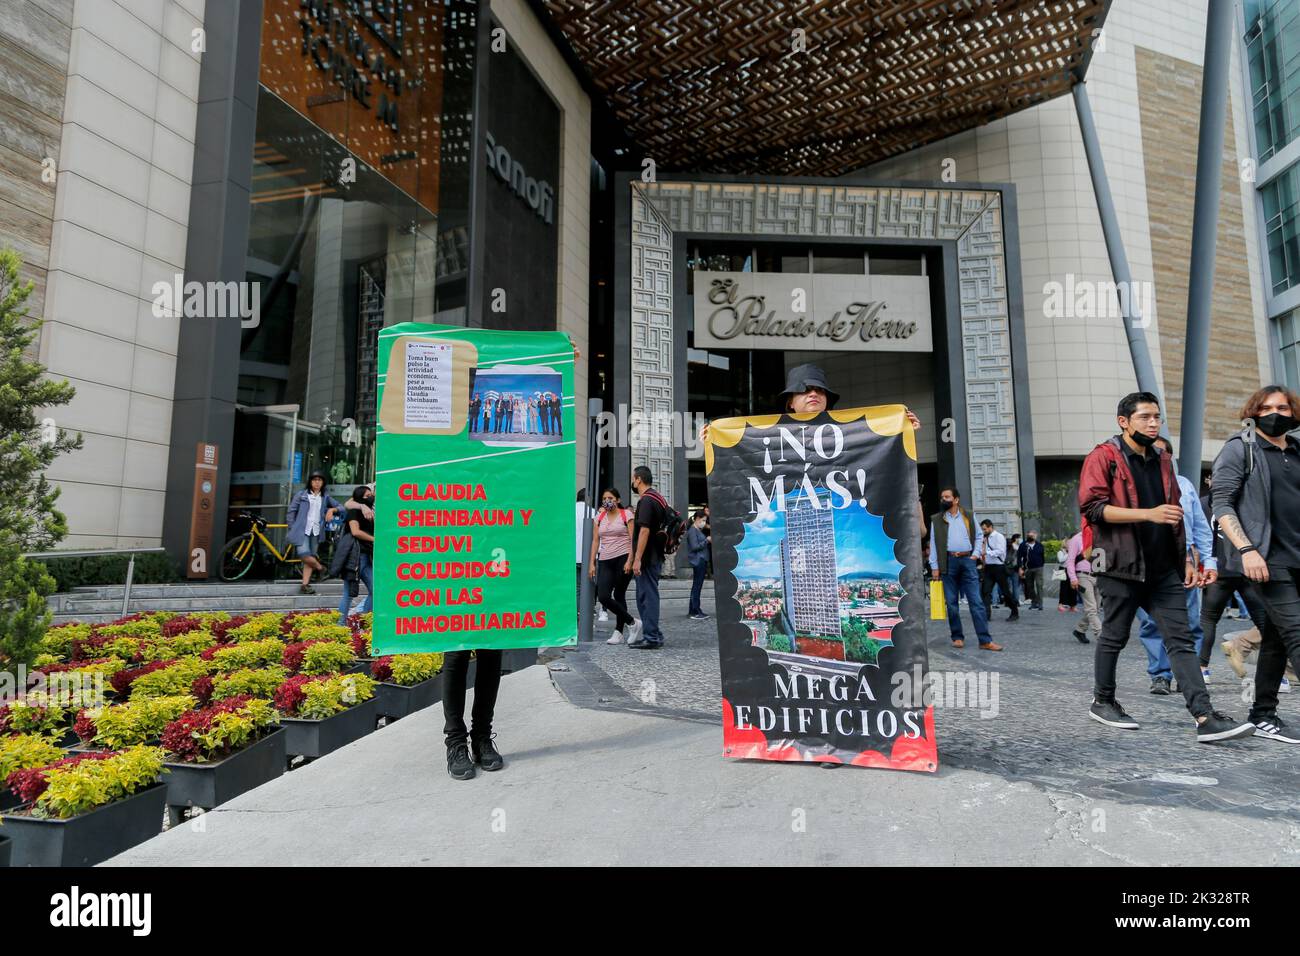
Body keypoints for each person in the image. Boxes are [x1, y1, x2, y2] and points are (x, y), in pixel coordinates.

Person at [1078, 391, 1252, 742]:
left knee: (1181, 640)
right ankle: (1103, 701)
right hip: (1120, 564)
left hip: (1163, 570)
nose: (1154, 422)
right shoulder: (1104, 456)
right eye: (1145, 416)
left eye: (1157, 416)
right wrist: (1148, 514)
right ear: (1124, 421)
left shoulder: (1161, 460)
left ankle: (1205, 716)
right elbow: (1093, 508)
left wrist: (1187, 559)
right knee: (1114, 636)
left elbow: (1176, 515)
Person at [1211, 384, 1300, 743]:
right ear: (1253, 411)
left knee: (1278, 638)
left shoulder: (1296, 450)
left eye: (1282, 406)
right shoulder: (1240, 449)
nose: (1275, 412)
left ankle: (1262, 714)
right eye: (1266, 407)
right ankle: (1263, 713)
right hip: (1266, 558)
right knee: (1297, 633)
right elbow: (1222, 503)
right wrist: (1247, 550)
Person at [1131, 435, 1213, 694]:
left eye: (1160, 453)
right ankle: (1160, 675)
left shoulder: (1185, 486)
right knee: (1151, 623)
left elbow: (1201, 528)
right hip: (1146, 561)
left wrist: (1208, 561)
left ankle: (1189, 675)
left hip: (1184, 561)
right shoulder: (1131, 484)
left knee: (1189, 622)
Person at [929, 488, 1002, 651]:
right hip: (948, 562)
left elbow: (978, 536)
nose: (944, 500)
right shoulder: (936, 519)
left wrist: (975, 555)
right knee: (952, 604)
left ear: (956, 499)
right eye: (942, 497)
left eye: (947, 497)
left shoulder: (968, 515)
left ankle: (984, 640)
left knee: (976, 602)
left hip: (967, 561)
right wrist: (934, 567)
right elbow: (933, 543)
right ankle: (957, 637)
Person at [589, 488, 638, 644]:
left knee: (619, 594)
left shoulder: (626, 515)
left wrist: (630, 560)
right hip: (605, 559)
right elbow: (595, 541)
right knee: (603, 596)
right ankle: (632, 622)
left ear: (617, 499)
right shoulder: (599, 517)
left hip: (623, 557)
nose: (607, 500)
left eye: (610, 497)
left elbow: (633, 539)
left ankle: (618, 632)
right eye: (604, 498)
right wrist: (592, 563)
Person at [628, 466, 667, 649]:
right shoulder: (658, 498)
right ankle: (654, 633)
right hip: (655, 555)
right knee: (647, 595)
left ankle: (651, 637)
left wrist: (637, 558)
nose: (632, 482)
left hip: (647, 557)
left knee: (647, 596)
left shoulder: (646, 501)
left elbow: (644, 530)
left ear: (638, 479)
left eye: (633, 479)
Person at [285, 472, 341, 595]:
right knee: (304, 554)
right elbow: (291, 512)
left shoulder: (325, 497)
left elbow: (341, 507)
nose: (317, 482)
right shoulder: (301, 495)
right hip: (302, 530)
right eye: (314, 480)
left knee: (309, 558)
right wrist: (293, 527)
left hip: (316, 532)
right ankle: (322, 568)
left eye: (319, 480)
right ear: (310, 482)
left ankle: (305, 585)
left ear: (323, 483)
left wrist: (332, 509)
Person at [331, 484, 374, 625]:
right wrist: (375, 539)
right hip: (354, 558)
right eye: (367, 496)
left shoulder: (369, 513)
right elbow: (355, 531)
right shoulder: (354, 512)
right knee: (348, 594)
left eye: (371, 495)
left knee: (376, 591)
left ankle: (362, 622)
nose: (371, 497)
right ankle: (340, 624)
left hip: (366, 558)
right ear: (359, 498)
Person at [978, 518, 1019, 621]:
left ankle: (1014, 611)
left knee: (1006, 592)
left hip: (999, 567)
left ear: (991, 527)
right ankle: (986, 615)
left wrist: (987, 552)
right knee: (985, 591)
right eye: (982, 529)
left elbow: (1001, 551)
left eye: (985, 529)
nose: (984, 531)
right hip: (988, 568)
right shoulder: (984, 538)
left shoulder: (999, 536)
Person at [1065, 528, 1098, 644]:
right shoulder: (1076, 539)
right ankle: (1101, 635)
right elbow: (1070, 560)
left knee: (1096, 607)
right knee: (1092, 607)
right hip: (1083, 576)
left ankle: (1080, 629)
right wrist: (1073, 578)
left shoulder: (1100, 536)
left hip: (1098, 575)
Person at [686, 511, 710, 620]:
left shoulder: (696, 530)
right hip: (698, 560)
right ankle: (695, 611)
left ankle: (695, 609)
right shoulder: (692, 530)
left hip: (701, 560)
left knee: (697, 586)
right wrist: (706, 540)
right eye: (703, 520)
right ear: (697, 519)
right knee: (697, 586)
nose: (704, 523)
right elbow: (694, 546)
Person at [1017, 531, 1045, 610]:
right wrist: (1020, 568)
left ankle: (1040, 603)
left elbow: (1042, 557)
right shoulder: (1023, 545)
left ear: (1036, 536)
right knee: (1029, 586)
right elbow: (1019, 557)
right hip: (1028, 568)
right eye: (1029, 535)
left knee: (1039, 585)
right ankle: (1034, 602)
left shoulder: (1039, 545)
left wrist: (1041, 565)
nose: (1030, 537)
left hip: (1038, 568)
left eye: (1032, 535)